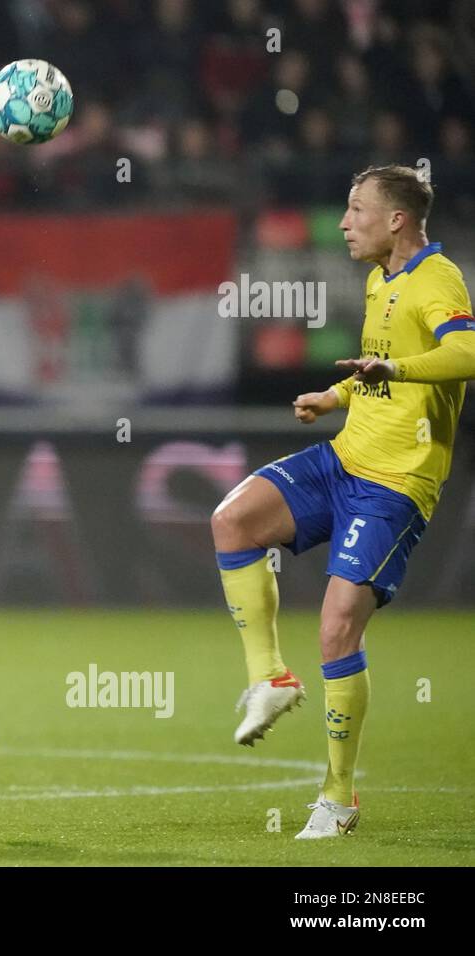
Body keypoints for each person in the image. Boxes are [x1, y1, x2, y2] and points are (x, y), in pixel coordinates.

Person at [212, 165, 475, 839]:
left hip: (397, 484)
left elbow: (466, 352)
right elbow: (378, 370)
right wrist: (337, 396)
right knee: (234, 519)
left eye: (356, 209)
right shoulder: (377, 280)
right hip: (344, 459)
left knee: (336, 628)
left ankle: (337, 796)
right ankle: (269, 679)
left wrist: (398, 369)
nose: (343, 222)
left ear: (397, 220)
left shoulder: (436, 279)